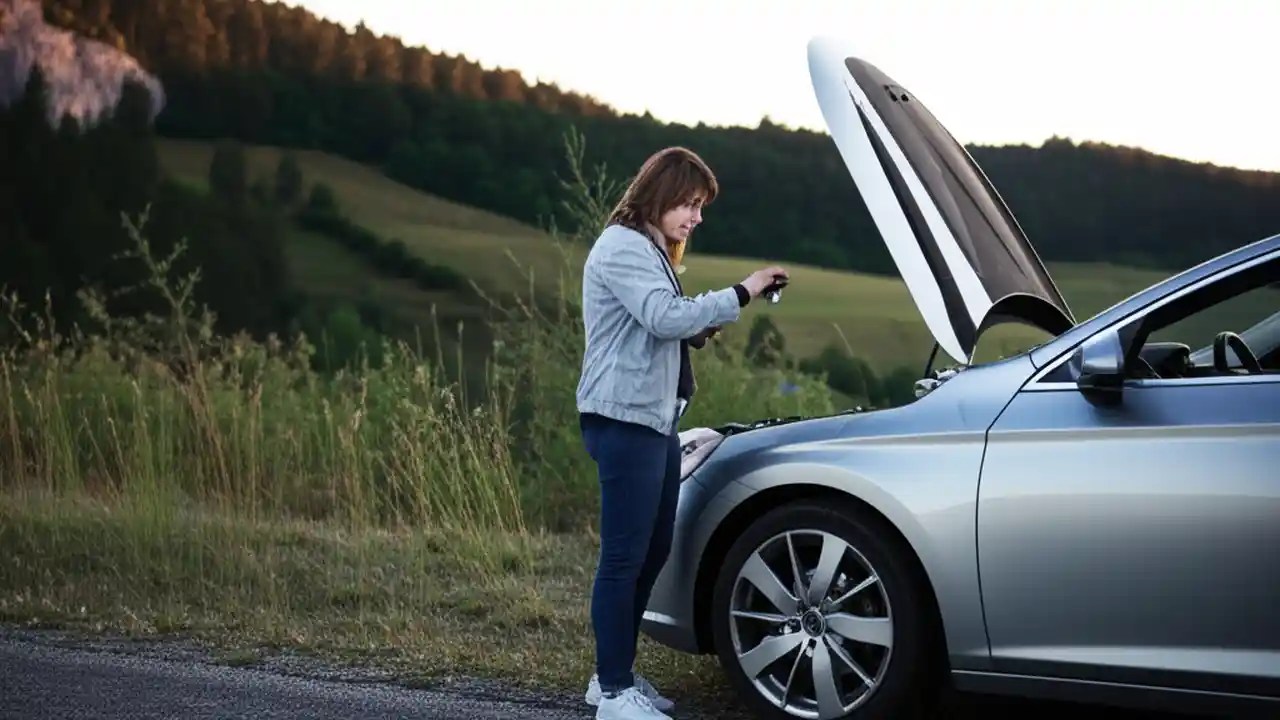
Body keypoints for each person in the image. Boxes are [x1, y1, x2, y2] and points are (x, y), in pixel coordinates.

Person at [575, 146, 788, 720]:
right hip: (623, 418)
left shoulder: (649, 248)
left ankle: (610, 678)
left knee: (653, 550)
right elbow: (663, 316)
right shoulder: (622, 244)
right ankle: (614, 693)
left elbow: (660, 320)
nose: (695, 217)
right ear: (662, 193)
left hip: (653, 418)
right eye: (690, 204)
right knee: (623, 557)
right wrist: (741, 292)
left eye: (699, 208)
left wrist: (698, 327)